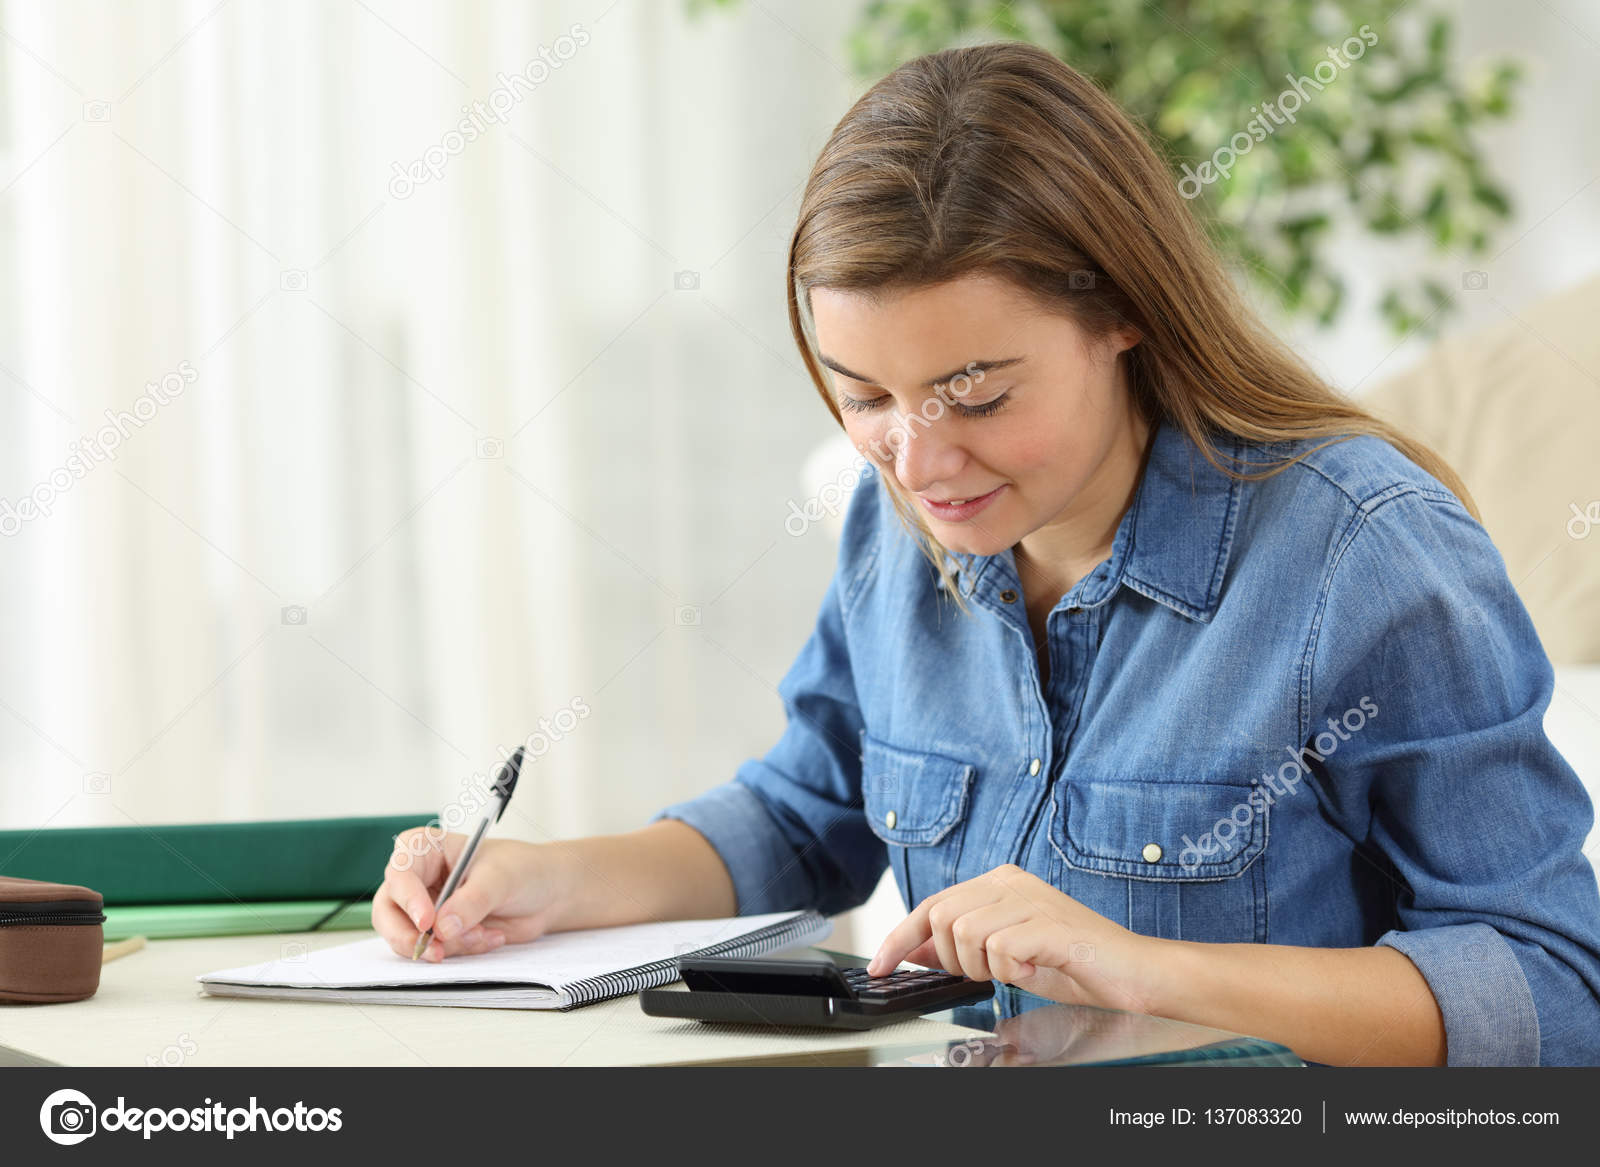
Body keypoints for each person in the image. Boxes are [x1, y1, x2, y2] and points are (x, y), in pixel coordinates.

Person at [372, 42, 1600, 1066]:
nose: (919, 460)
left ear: (1124, 312)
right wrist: (545, 884)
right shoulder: (897, 533)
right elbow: (806, 820)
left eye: (975, 391)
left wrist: (1142, 970)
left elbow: (1551, 989)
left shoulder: (1364, 555)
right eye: (864, 396)